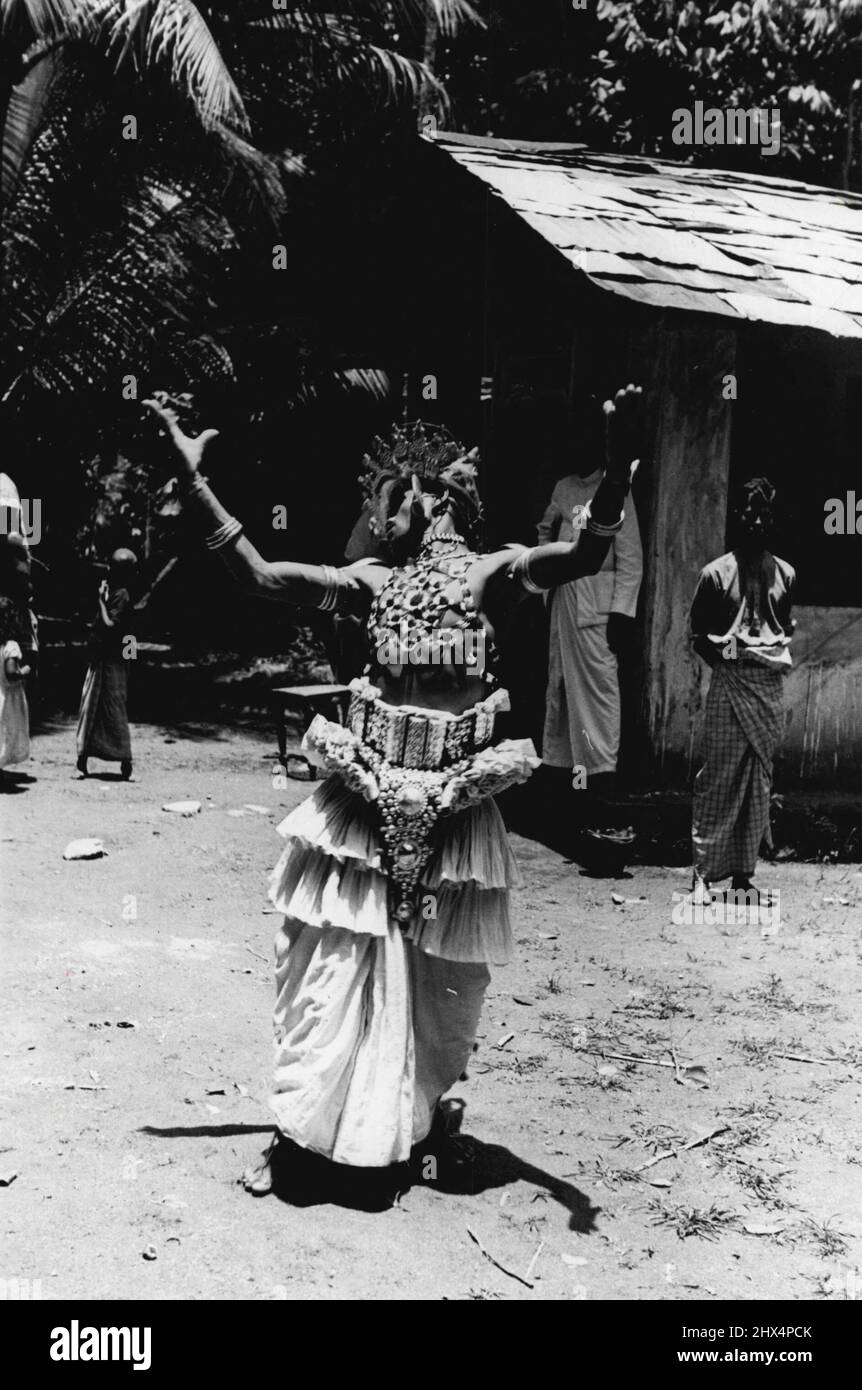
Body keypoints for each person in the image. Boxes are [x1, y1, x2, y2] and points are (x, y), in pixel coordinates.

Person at [144, 387, 642, 1198]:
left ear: (431, 497)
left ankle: (401, 1124)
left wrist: (614, 483)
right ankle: (303, 1130)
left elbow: (582, 560)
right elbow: (263, 576)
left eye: (385, 499)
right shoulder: (372, 579)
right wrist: (194, 481)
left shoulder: (491, 570)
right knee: (331, 963)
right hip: (364, 798)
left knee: (436, 985)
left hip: (454, 804)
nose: (376, 517)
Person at [690, 478, 795, 905]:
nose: (757, 522)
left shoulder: (786, 574)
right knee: (718, 780)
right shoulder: (715, 574)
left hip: (767, 690)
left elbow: (785, 630)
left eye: (765, 515)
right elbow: (699, 636)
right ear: (737, 517)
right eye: (750, 513)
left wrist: (764, 653)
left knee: (757, 783)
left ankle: (741, 876)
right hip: (730, 686)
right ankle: (701, 875)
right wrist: (735, 657)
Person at [537, 449, 643, 807]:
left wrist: (621, 613)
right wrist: (546, 577)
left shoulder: (615, 489)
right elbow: (544, 530)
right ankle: (562, 774)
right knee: (561, 689)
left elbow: (631, 560)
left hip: (597, 606)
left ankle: (602, 777)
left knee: (599, 692)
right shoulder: (564, 487)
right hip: (563, 599)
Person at [76, 549, 138, 780]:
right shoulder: (120, 592)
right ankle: (86, 755)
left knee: (111, 709)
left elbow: (112, 626)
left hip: (112, 661)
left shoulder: (121, 595)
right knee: (93, 707)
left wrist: (100, 601)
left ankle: (123, 757)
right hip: (108, 660)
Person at [0, 596, 31, 777]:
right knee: (6, 732)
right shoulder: (10, 646)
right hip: (7, 696)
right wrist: (24, 671)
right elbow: (11, 673)